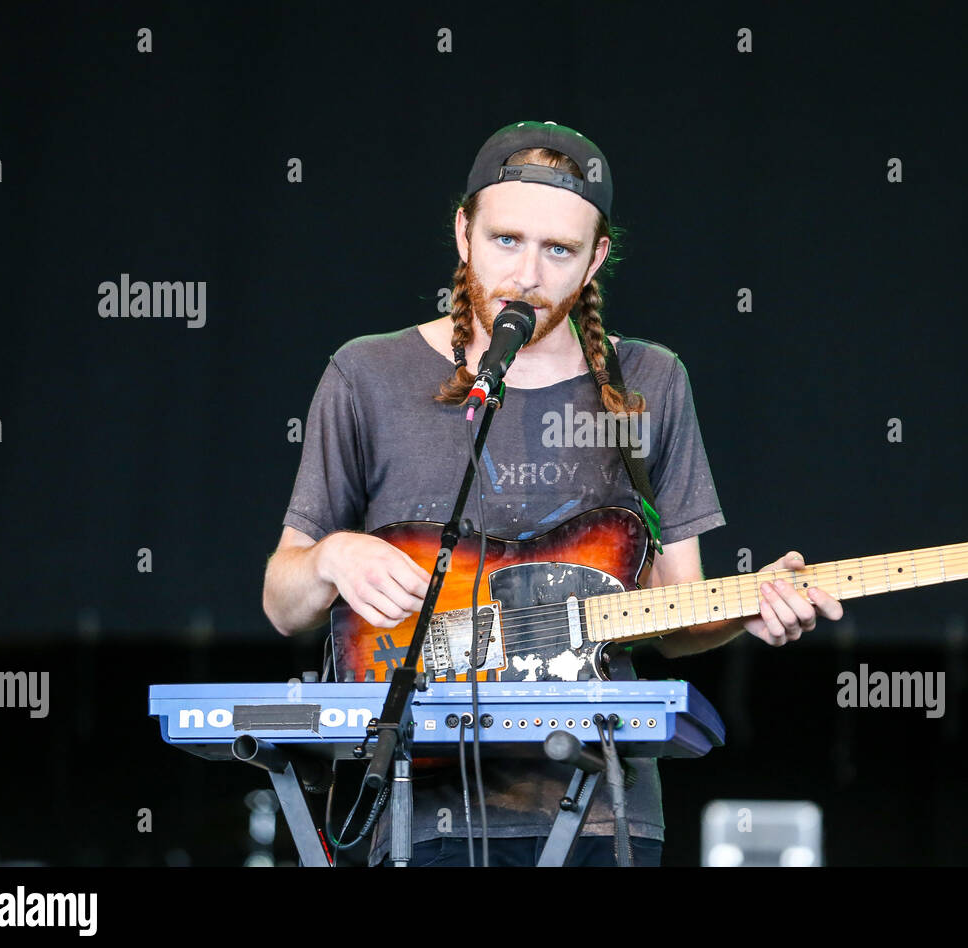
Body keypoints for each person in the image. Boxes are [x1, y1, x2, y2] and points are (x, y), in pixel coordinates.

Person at [261, 120, 844, 867]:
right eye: (507, 240)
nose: (527, 276)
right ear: (463, 233)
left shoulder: (650, 382)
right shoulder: (365, 373)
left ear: (595, 259)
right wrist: (333, 556)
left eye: (559, 251)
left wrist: (746, 608)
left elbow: (673, 613)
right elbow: (283, 603)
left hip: (599, 807)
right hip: (414, 807)